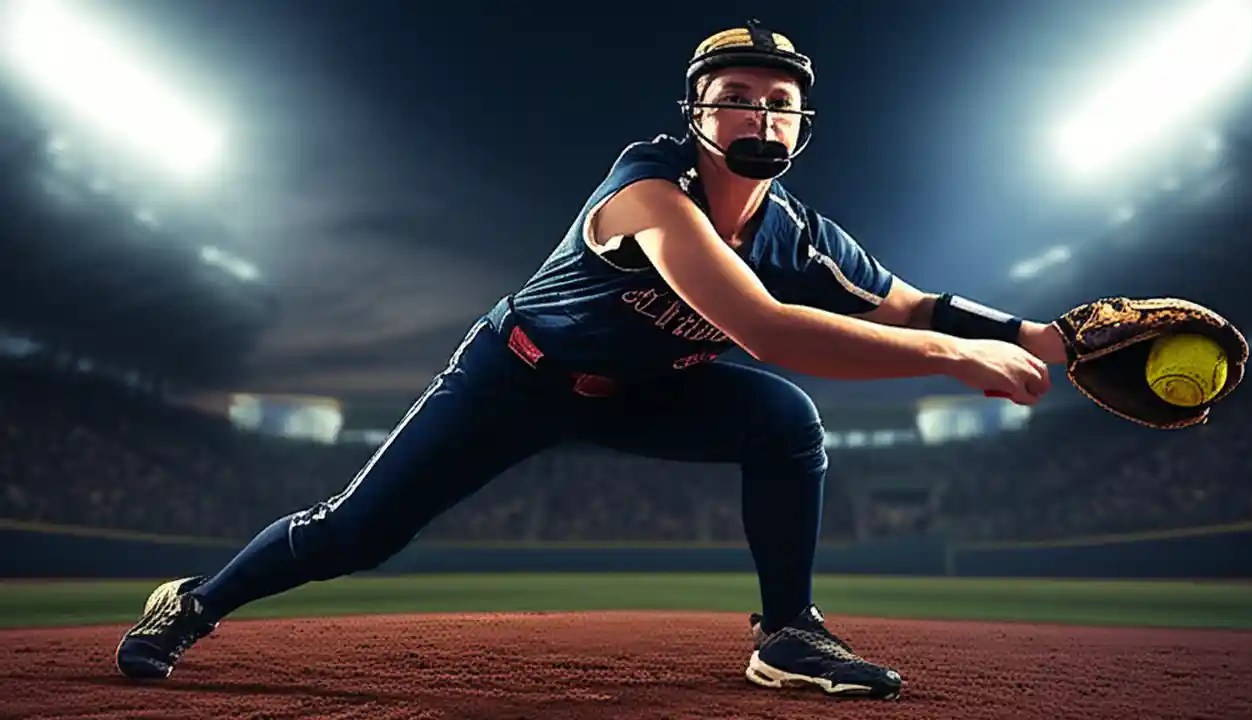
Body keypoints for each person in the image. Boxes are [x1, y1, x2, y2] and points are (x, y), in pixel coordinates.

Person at [115, 20, 1066, 700]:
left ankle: (789, 634)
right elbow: (770, 329)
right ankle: (192, 603)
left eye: (780, 104)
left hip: (644, 394)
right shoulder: (648, 188)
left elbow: (910, 302)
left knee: (783, 420)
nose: (760, 115)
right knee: (354, 537)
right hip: (515, 377)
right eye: (736, 97)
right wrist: (950, 356)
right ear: (696, 112)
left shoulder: (801, 235)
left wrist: (1033, 336)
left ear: (801, 127)